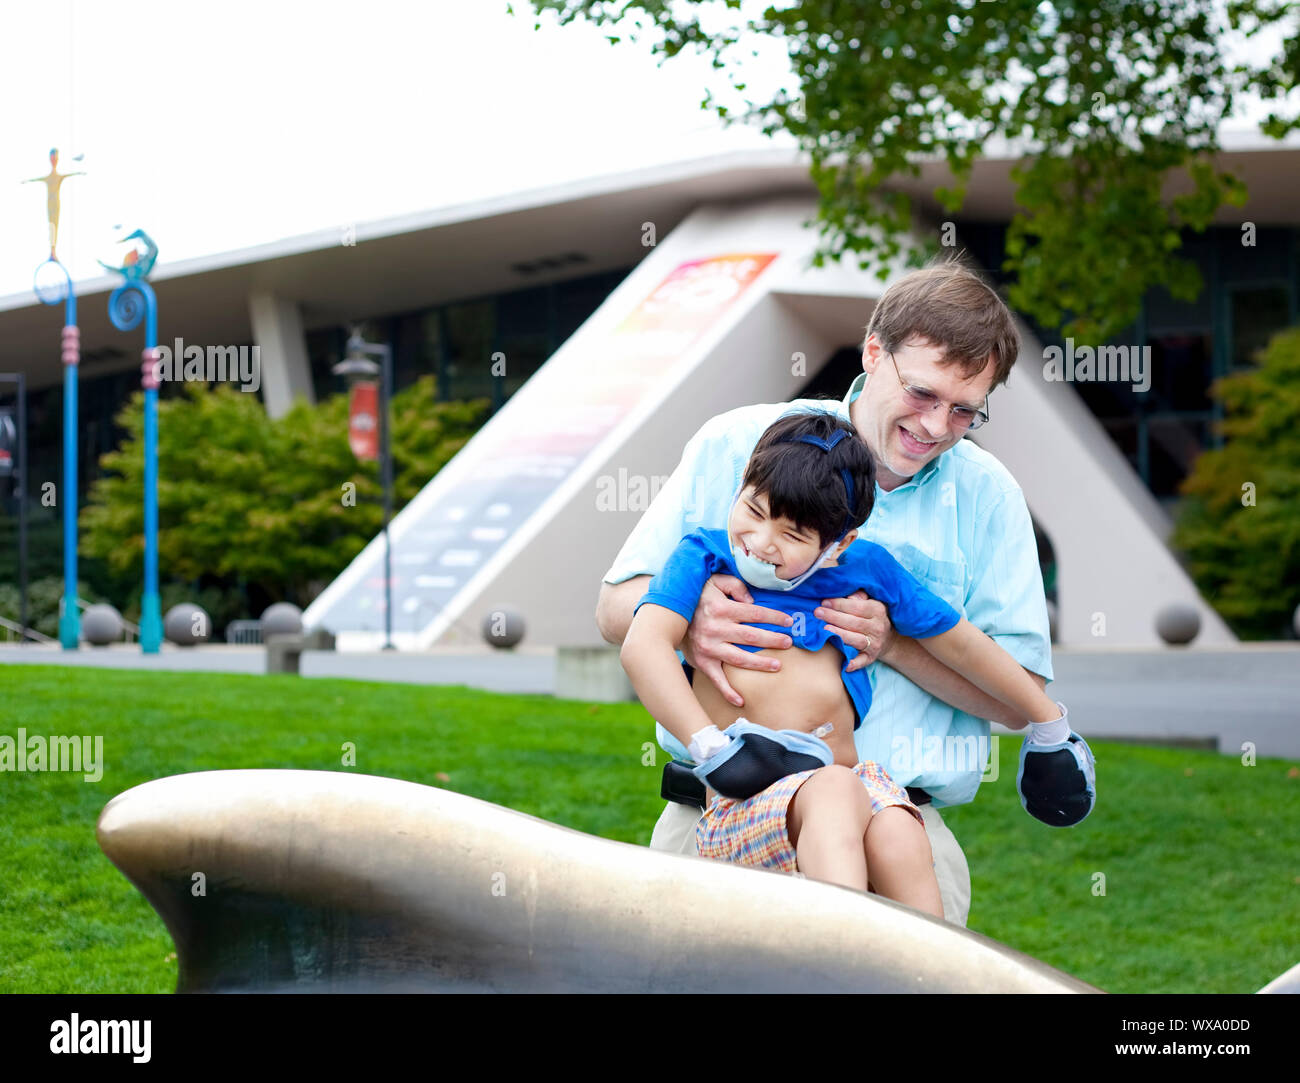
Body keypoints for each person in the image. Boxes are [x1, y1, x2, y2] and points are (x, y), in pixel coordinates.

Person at [597, 260, 1053, 927]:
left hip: (899, 828)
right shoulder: (738, 443)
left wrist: (895, 645)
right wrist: (691, 614)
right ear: (874, 352)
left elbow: (1019, 697)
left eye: (964, 410)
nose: (934, 426)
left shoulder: (989, 498)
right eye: (922, 393)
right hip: (715, 816)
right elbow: (613, 609)